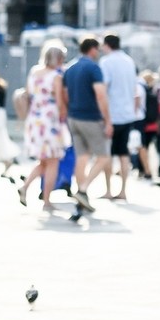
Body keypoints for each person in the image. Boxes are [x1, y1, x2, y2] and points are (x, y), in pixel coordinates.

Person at [61, 36, 112, 212]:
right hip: (90, 117)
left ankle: (82, 199)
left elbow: (65, 95)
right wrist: (108, 120)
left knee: (82, 157)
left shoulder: (70, 68)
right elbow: (101, 95)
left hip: (73, 117)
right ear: (92, 49)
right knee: (103, 156)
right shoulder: (93, 68)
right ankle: (82, 190)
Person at [18, 40, 70, 212]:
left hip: (35, 120)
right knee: (53, 161)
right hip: (50, 121)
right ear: (59, 58)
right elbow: (60, 103)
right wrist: (64, 116)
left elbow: (28, 93)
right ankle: (47, 200)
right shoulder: (56, 76)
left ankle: (25, 187)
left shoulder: (34, 72)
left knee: (43, 161)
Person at [97, 33, 140, 200]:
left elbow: (103, 88)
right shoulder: (129, 61)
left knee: (107, 153)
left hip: (111, 114)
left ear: (106, 45)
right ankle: (123, 191)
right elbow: (135, 89)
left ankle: (108, 190)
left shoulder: (106, 62)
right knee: (123, 153)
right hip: (127, 114)